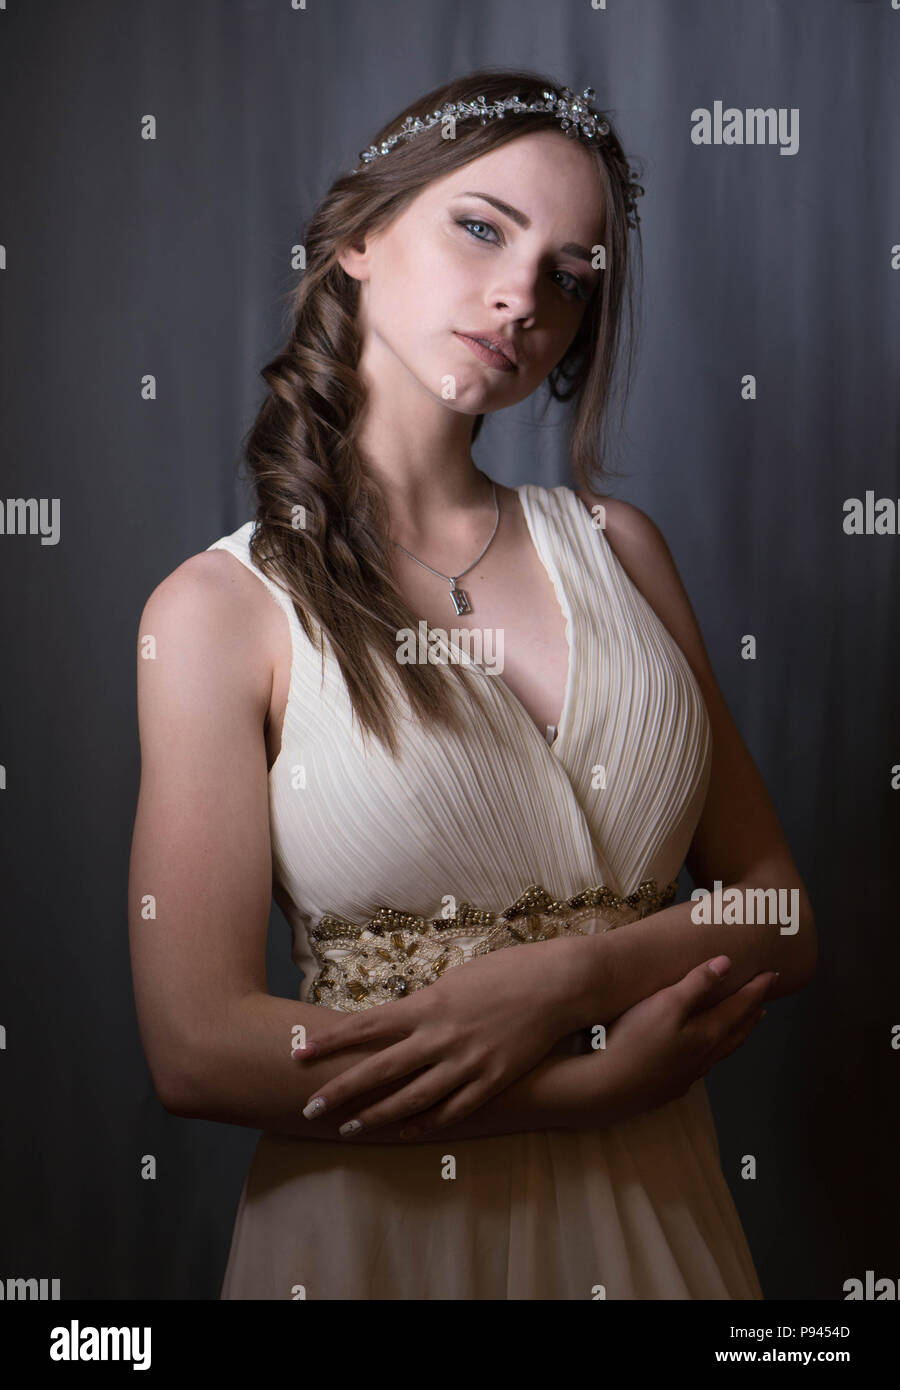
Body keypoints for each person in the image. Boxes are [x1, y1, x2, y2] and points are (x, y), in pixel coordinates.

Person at [128, 68, 817, 1300]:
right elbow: (197, 1051)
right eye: (483, 227)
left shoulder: (620, 548)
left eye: (570, 272)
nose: (522, 296)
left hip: (659, 1222)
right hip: (377, 1237)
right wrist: (582, 1086)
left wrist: (572, 977)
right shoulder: (217, 611)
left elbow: (780, 908)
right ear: (356, 239)